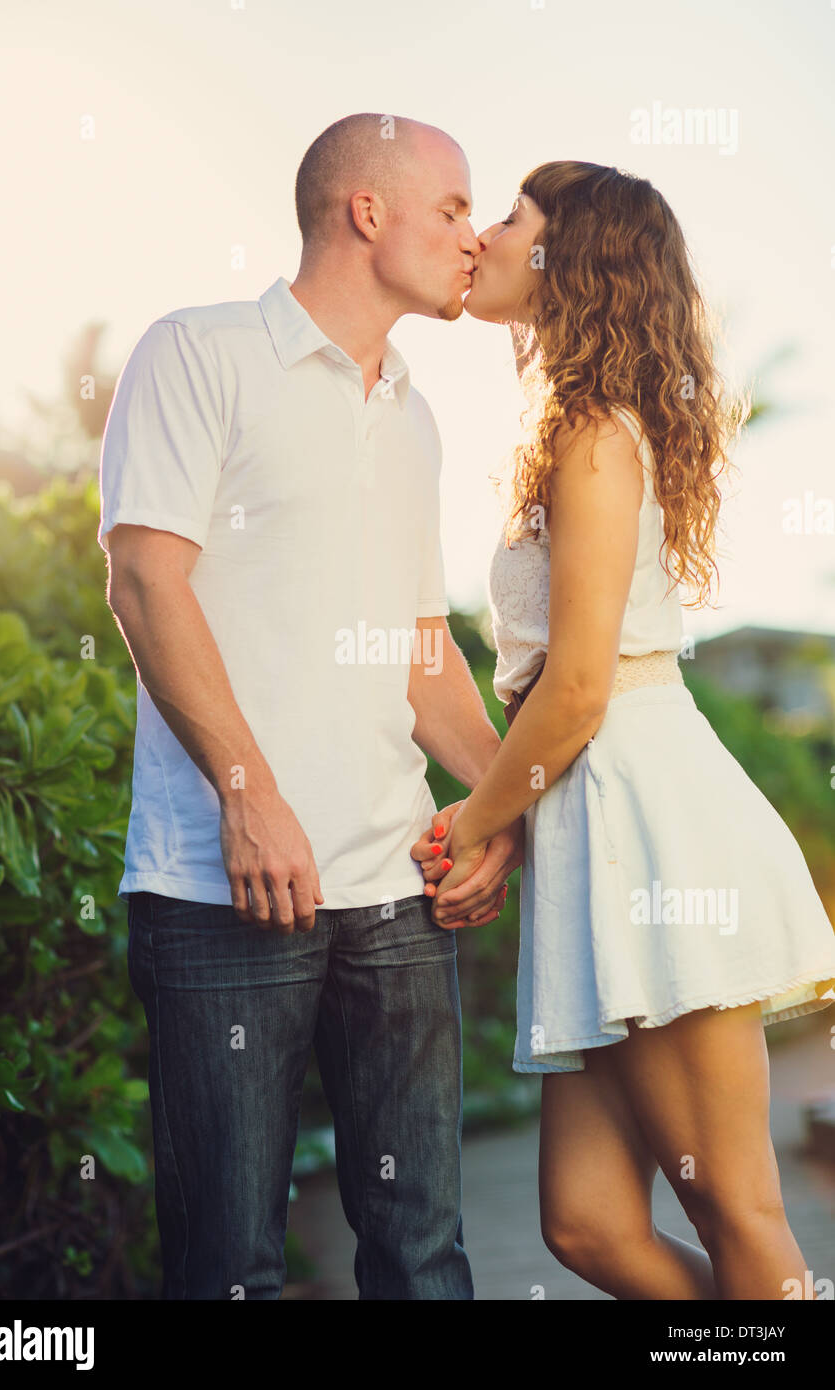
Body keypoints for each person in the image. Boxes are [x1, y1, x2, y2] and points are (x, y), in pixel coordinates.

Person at [97, 112, 522, 1300]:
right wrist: (251, 794)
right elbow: (143, 579)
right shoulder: (198, 351)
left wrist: (497, 808)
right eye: (452, 206)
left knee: (424, 1257)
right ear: (366, 211)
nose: (474, 235)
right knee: (230, 1266)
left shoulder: (415, 415)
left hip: (398, 893)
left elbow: (421, 650)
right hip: (224, 893)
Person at [412, 161, 835, 1300]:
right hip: (594, 829)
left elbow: (579, 686)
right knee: (588, 1224)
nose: (485, 236)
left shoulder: (595, 431)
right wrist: (512, 820)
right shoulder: (572, 423)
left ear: (568, 258)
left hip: (650, 828)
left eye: (510, 218)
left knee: (736, 1209)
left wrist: (473, 822)